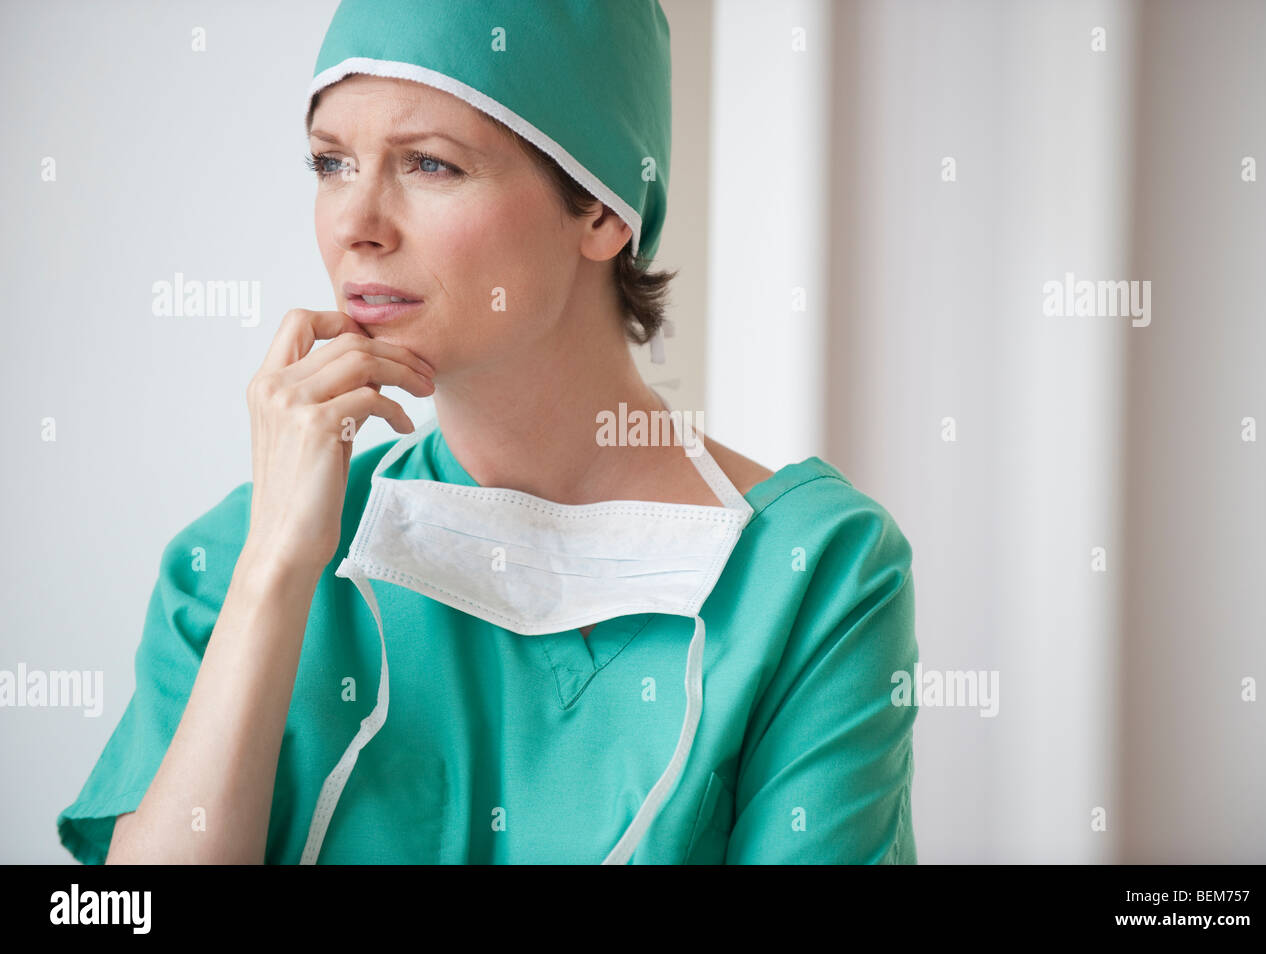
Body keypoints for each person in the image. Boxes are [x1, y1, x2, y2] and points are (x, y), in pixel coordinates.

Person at [56, 0, 918, 864]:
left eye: (428, 164)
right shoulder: (239, 554)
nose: (356, 224)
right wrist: (275, 568)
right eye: (331, 162)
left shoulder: (813, 576)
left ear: (602, 211)